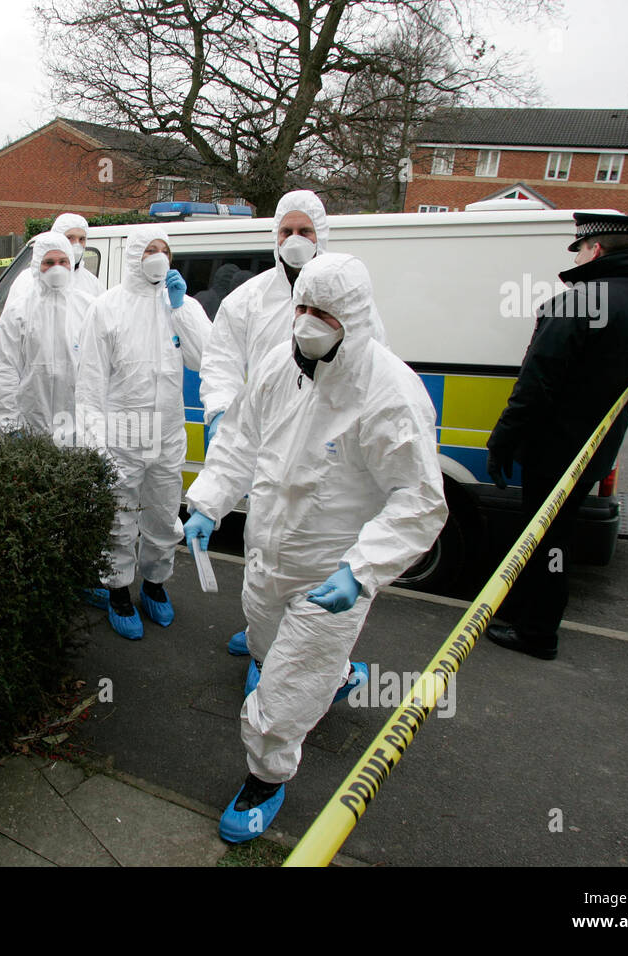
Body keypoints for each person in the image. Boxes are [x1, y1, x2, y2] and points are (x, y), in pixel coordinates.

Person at [183, 252, 447, 843]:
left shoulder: (389, 394)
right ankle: (337, 673)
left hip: (331, 576)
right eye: (301, 305)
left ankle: (265, 777)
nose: (305, 320)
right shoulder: (281, 362)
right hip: (267, 553)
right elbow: (241, 440)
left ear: (353, 317)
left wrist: (362, 569)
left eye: (322, 312)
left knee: (286, 691)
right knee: (261, 640)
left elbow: (419, 500)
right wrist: (207, 503)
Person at [485, 213, 628, 660]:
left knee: (545, 540)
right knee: (554, 537)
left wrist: (503, 441)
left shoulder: (574, 304)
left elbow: (535, 385)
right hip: (595, 450)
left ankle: (537, 633)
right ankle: (526, 615)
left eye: (580, 249)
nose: (579, 255)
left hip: (554, 450)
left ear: (596, 250)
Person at [199, 189, 335, 658]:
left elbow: (367, 365)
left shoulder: (342, 294)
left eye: (305, 231)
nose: (295, 240)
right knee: (261, 541)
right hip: (263, 441)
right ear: (274, 236)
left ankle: (300, 654)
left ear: (323, 235)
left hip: (321, 447)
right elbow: (219, 360)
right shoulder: (250, 299)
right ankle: (262, 631)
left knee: (308, 551)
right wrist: (220, 412)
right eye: (287, 231)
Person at [76, 224, 210, 639]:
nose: (158, 256)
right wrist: (94, 444)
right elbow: (90, 381)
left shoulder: (179, 305)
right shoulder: (107, 307)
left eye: (164, 250)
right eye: (150, 249)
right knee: (119, 518)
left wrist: (182, 308)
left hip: (168, 432)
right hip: (123, 433)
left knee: (164, 515)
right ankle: (118, 590)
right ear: (136, 255)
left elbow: (206, 356)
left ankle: (154, 584)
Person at [0, 231, 94, 444]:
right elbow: (4, 370)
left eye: (63, 261)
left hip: (79, 427)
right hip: (31, 426)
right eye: (49, 262)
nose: (57, 267)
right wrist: (11, 426)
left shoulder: (89, 308)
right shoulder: (18, 312)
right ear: (37, 265)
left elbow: (100, 370)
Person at [7, 213, 104, 307]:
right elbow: (12, 318)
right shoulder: (27, 279)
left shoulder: (92, 283)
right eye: (70, 238)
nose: (77, 244)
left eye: (82, 239)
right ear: (56, 238)